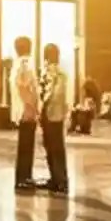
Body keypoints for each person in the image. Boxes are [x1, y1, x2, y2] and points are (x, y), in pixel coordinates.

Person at [39, 43, 70, 193]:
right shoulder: (49, 72)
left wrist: (44, 101)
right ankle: (55, 178)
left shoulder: (58, 73)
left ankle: (61, 180)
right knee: (50, 147)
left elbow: (56, 94)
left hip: (54, 114)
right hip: (49, 113)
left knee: (56, 147)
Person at [11, 36, 40, 192]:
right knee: (26, 146)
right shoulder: (25, 64)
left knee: (24, 146)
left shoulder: (17, 64)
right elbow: (24, 87)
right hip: (26, 110)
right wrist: (32, 107)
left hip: (21, 110)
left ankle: (23, 177)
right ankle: (24, 178)